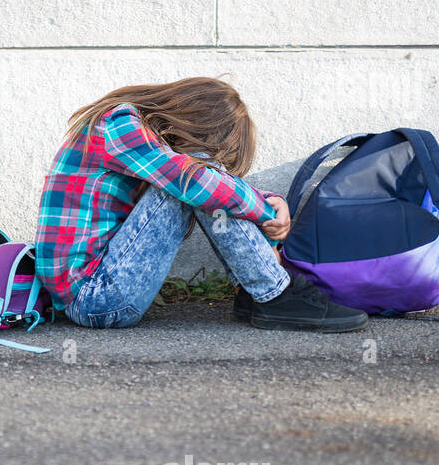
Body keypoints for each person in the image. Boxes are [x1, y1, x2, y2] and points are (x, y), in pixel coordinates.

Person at [35, 77, 368, 332]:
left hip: (94, 293)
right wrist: (266, 211)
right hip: (95, 298)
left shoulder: (125, 129)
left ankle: (260, 292)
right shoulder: (118, 124)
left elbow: (206, 184)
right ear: (193, 124)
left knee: (200, 179)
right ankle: (274, 293)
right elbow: (195, 181)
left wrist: (267, 202)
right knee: (195, 177)